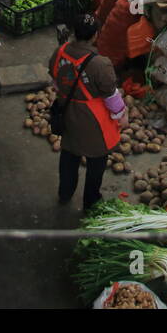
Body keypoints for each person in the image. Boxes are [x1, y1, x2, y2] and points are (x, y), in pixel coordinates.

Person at [50, 13, 127, 209]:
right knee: (96, 162)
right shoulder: (100, 64)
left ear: (74, 32)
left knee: (69, 157)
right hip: (93, 122)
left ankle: (64, 193)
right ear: (95, 36)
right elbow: (111, 96)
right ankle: (90, 201)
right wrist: (121, 115)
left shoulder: (59, 53)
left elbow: (55, 80)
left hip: (68, 114)